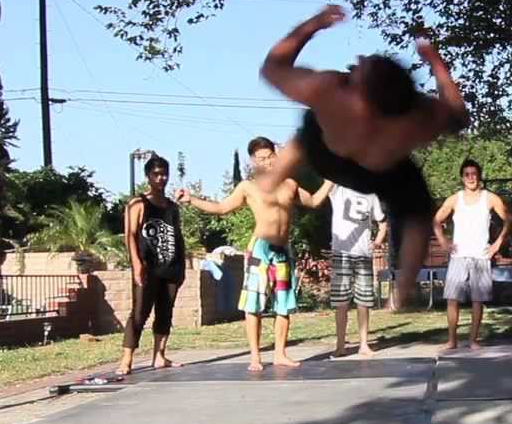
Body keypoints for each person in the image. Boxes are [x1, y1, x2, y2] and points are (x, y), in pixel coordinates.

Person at [254, 4, 470, 309]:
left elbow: (272, 68)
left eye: (356, 69)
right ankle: (404, 289)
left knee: (309, 127)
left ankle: (274, 176)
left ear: (359, 91)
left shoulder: (330, 90)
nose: (354, 63)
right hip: (381, 170)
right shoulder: (418, 116)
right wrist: (434, 60)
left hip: (326, 154)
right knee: (418, 212)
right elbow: (459, 116)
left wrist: (312, 25)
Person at [178, 138, 332, 371]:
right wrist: (192, 200)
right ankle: (255, 357)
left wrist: (331, 180)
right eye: (261, 159)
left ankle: (280, 354)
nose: (267, 162)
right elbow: (222, 208)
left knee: (284, 304)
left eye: (270, 157)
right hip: (260, 249)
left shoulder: (290, 184)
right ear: (253, 162)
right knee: (254, 304)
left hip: (283, 251)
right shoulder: (248, 187)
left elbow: (314, 200)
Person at [118, 154, 186, 376]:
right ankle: (127, 359)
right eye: (156, 174)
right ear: (148, 176)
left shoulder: (172, 207)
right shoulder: (137, 204)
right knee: (140, 313)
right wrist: (137, 264)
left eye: (164, 174)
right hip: (148, 267)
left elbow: (178, 237)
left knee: (165, 312)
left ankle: (159, 355)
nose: (160, 178)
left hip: (171, 268)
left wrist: (181, 267)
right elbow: (130, 235)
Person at [433, 159, 510, 350]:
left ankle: (473, 340)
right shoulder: (454, 199)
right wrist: (443, 241)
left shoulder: (490, 198)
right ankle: (452, 340)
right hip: (459, 256)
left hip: (481, 256)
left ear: (479, 176)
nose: (471, 178)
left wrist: (497, 244)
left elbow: (508, 220)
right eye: (467, 174)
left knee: (478, 300)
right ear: (462, 177)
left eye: (474, 174)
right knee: (452, 299)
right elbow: (436, 220)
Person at [328, 182, 389, 357]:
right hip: (341, 253)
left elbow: (382, 222)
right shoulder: (337, 189)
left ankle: (364, 344)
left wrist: (377, 241)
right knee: (341, 302)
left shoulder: (371, 194)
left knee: (363, 301)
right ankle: (340, 345)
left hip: (363, 254)